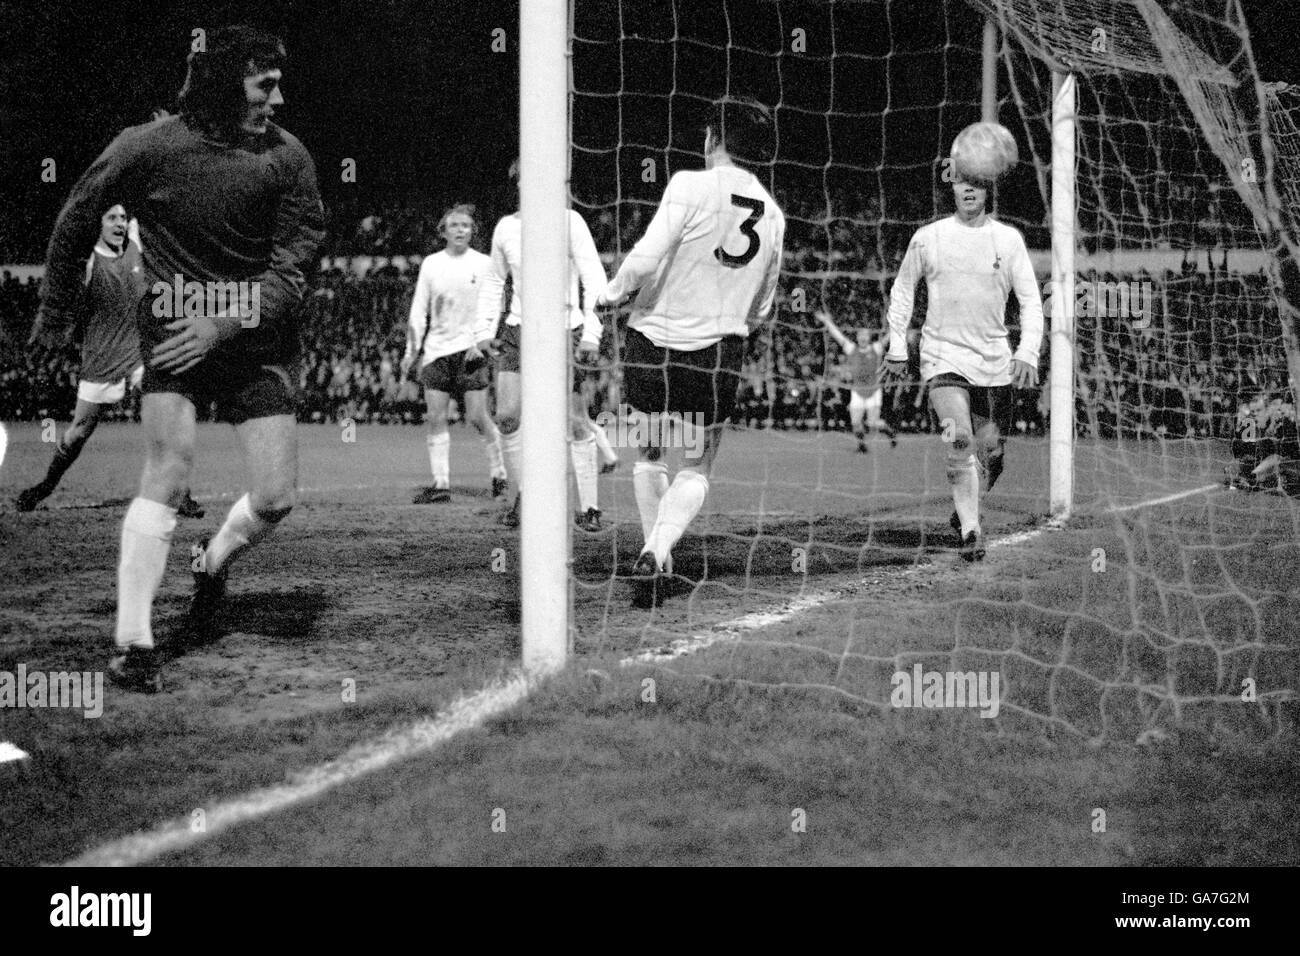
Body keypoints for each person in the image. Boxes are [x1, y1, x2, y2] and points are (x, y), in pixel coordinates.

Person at [33, 25, 324, 691]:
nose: (278, 98)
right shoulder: (149, 146)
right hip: (169, 332)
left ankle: (213, 558)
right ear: (226, 81)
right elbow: (79, 213)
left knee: (276, 499)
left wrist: (222, 323)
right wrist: (54, 312)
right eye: (264, 82)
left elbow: (294, 268)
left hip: (255, 340)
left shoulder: (289, 159)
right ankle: (133, 645)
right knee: (166, 470)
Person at [596, 96, 785, 603]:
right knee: (697, 466)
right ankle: (658, 551)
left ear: (712, 139)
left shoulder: (687, 183)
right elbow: (764, 304)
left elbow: (645, 258)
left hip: (651, 346)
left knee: (650, 451)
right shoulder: (775, 214)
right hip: (716, 355)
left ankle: (654, 551)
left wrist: (608, 295)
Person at [880, 121, 1043, 561]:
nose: (969, 190)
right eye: (962, 182)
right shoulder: (928, 238)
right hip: (942, 359)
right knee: (958, 439)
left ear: (988, 189)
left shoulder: (1008, 241)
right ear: (952, 187)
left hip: (993, 362)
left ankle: (967, 505)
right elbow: (901, 291)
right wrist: (898, 346)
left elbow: (1031, 302)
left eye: (977, 184)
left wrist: (1027, 351)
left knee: (991, 452)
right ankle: (971, 530)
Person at [18, 204, 203, 517]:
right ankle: (45, 486)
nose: (119, 223)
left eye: (122, 218)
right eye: (111, 218)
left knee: (167, 414)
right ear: (99, 225)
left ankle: (179, 492)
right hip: (100, 360)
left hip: (139, 355)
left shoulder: (135, 245)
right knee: (78, 431)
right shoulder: (90, 261)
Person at [475, 159, 608, 531]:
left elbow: (593, 279)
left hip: (564, 330)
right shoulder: (506, 227)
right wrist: (482, 329)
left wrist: (593, 333)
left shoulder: (571, 222)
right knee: (507, 415)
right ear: (517, 184)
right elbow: (493, 281)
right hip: (519, 332)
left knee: (574, 419)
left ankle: (591, 508)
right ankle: (523, 497)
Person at [400, 204, 506, 503]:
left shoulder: (484, 264)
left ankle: (500, 476)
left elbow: (494, 306)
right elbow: (419, 310)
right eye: (454, 225)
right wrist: (412, 350)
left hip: (471, 351)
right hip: (437, 351)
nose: (460, 230)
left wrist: (482, 341)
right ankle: (441, 483)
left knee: (477, 416)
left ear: (473, 231)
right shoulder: (431, 264)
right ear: (443, 231)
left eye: (465, 225)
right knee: (435, 417)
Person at [815, 309, 897, 452]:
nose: (863, 338)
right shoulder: (851, 349)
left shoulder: (876, 349)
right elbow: (838, 335)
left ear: (869, 337)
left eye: (865, 335)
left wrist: (899, 324)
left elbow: (889, 337)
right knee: (855, 423)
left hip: (873, 391)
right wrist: (826, 321)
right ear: (858, 337)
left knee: (872, 423)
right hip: (857, 391)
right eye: (860, 335)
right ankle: (862, 446)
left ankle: (890, 432)